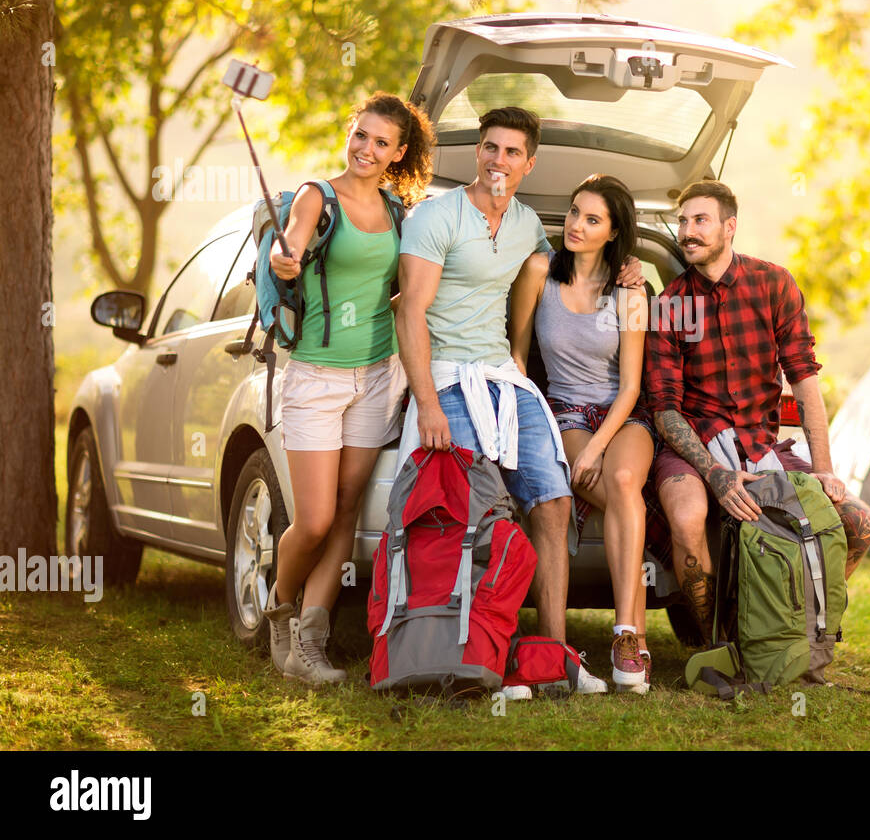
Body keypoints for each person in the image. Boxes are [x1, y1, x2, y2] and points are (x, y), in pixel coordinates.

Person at [394, 107, 643, 698]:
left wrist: (628, 265)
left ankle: (552, 657)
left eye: (511, 153)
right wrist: (426, 402)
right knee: (478, 510)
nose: (497, 161)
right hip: (449, 374)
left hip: (506, 378)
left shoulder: (531, 227)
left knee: (553, 507)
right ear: (476, 152)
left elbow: (570, 265)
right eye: (489, 148)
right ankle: (485, 651)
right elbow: (409, 310)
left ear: (529, 164)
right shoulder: (435, 216)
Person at [645, 179, 870, 638]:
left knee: (859, 522)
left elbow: (805, 380)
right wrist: (714, 473)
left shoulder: (774, 284)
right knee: (689, 520)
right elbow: (666, 410)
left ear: (729, 227)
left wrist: (825, 470)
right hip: (693, 448)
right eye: (683, 221)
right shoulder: (668, 305)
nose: (687, 231)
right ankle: (719, 639)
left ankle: (795, 625)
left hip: (762, 442)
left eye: (700, 220)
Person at [263, 92, 434, 685]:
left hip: (378, 375)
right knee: (312, 520)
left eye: (381, 142)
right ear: (350, 132)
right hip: (316, 375)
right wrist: (287, 261)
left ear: (398, 152)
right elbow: (293, 242)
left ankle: (311, 640)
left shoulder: (398, 210)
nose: (366, 149)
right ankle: (280, 611)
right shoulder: (318, 195)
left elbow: (405, 289)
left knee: (345, 513)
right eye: (360, 135)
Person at [507, 174, 655, 694]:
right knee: (626, 503)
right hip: (564, 411)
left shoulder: (631, 291)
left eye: (593, 219)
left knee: (621, 483)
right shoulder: (540, 270)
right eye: (574, 212)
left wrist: (597, 445)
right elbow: (518, 354)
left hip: (621, 416)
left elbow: (633, 386)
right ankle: (633, 642)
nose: (576, 225)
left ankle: (623, 633)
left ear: (613, 233)